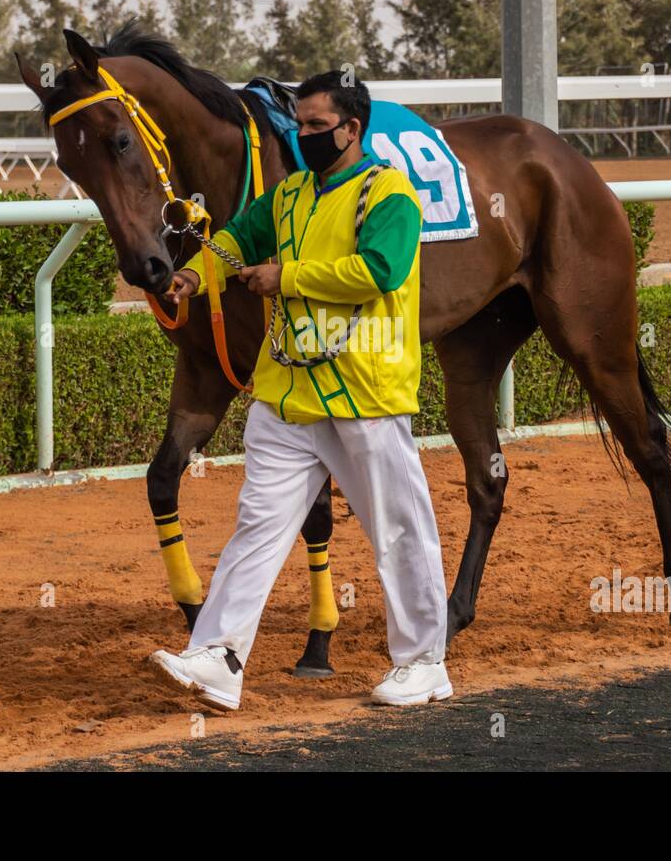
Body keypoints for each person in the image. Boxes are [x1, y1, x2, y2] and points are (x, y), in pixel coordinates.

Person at [148, 70, 450, 711]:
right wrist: (195, 277)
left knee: (397, 532)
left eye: (317, 126)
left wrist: (285, 277)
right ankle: (220, 658)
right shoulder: (287, 196)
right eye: (301, 125)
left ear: (352, 129)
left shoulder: (389, 194)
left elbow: (379, 270)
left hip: (364, 395)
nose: (305, 135)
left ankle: (424, 663)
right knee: (256, 527)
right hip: (286, 395)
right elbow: (233, 239)